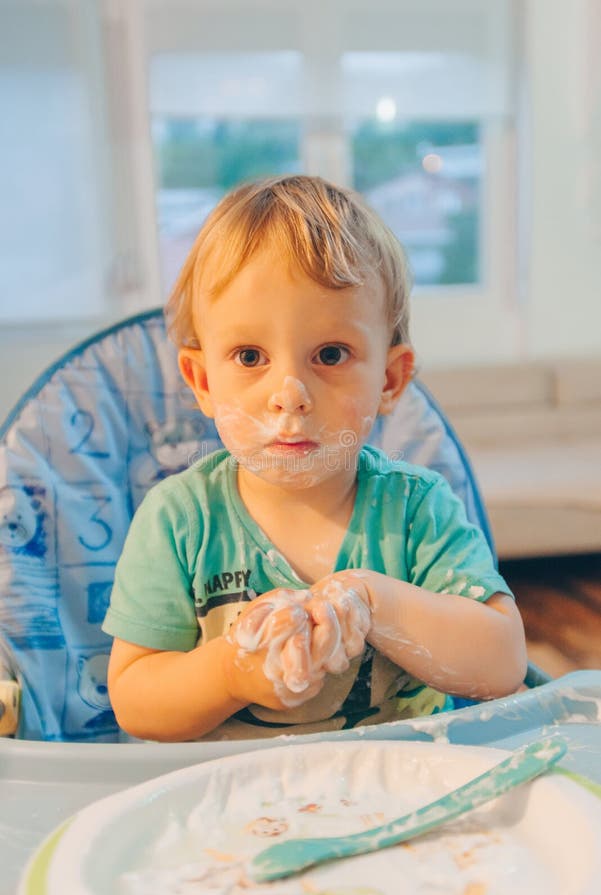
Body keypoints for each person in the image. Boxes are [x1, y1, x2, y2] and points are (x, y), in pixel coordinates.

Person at [103, 175, 527, 741]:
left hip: (404, 791)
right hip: (234, 803)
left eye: (330, 354)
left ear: (389, 380)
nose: (290, 392)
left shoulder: (415, 511)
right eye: (250, 355)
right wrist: (230, 672)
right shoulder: (180, 520)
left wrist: (374, 605)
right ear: (202, 380)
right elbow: (135, 701)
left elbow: (502, 665)